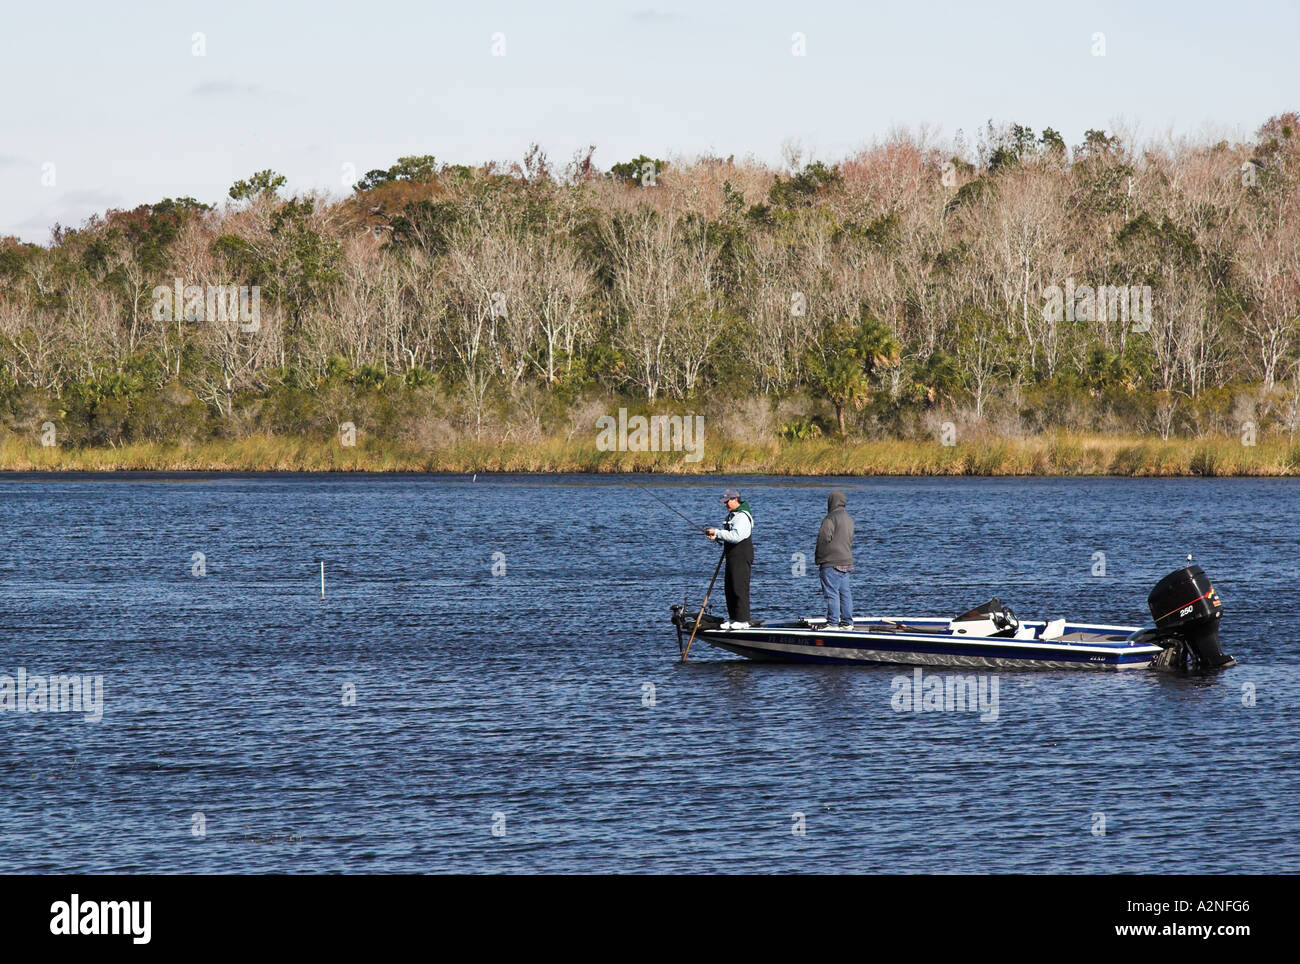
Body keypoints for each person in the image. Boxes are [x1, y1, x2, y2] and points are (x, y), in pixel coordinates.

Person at [705, 487, 753, 629]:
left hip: (741, 556)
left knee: (739, 587)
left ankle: (743, 621)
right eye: (724, 502)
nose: (725, 504)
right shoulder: (732, 515)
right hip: (732, 556)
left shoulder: (742, 516)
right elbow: (728, 534)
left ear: (735, 499)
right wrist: (716, 537)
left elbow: (736, 536)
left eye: (727, 501)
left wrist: (717, 532)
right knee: (729, 588)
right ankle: (733, 619)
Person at [815, 489, 854, 629]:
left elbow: (823, 539)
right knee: (845, 593)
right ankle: (847, 623)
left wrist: (819, 558)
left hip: (831, 562)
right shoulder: (849, 519)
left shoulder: (830, 518)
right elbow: (850, 540)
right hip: (846, 562)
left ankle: (832, 623)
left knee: (831, 593)